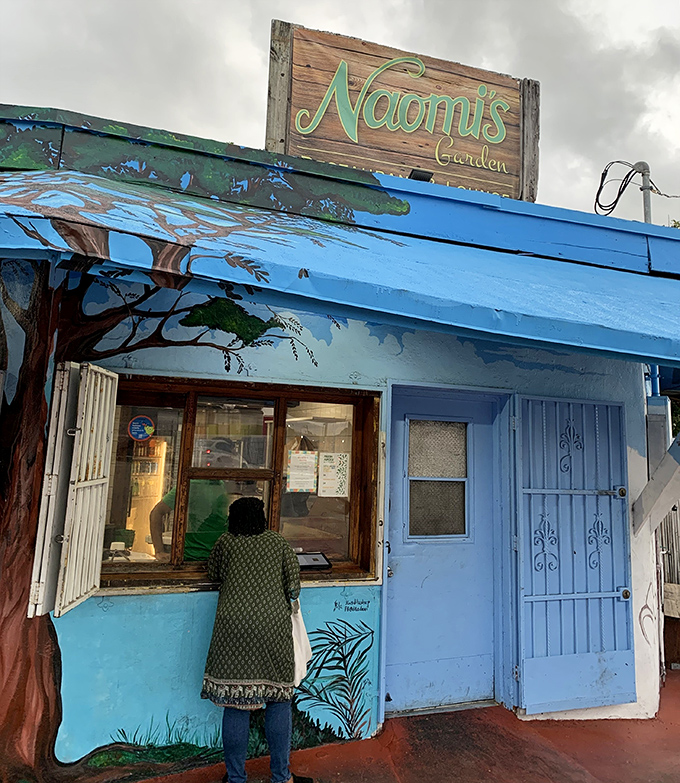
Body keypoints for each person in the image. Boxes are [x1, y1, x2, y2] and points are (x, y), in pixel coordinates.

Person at [201, 497, 312, 783]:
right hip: (272, 628)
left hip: (232, 629)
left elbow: (212, 573)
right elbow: (293, 586)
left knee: (235, 703)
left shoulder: (225, 542)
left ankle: (236, 779)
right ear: (261, 518)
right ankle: (281, 777)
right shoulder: (277, 543)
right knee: (278, 699)